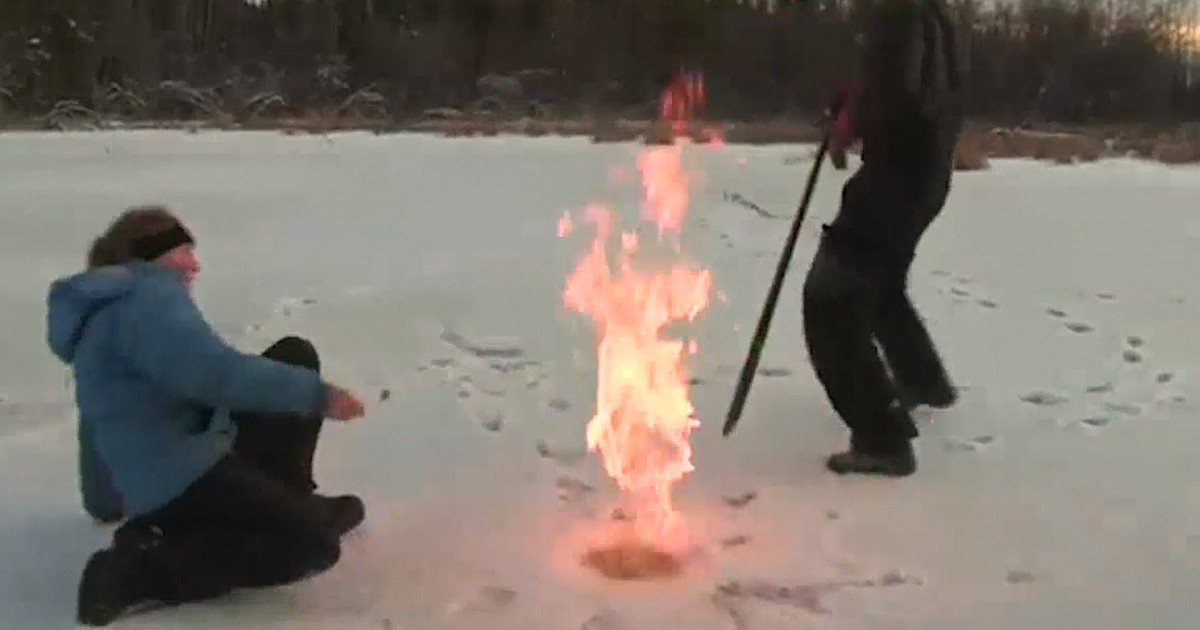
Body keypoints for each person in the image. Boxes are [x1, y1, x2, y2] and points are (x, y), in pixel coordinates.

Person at [46, 205, 370, 626]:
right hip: (182, 479)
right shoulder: (148, 297)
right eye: (184, 252)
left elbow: (98, 423)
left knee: (294, 355)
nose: (195, 265)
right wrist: (317, 396)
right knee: (310, 545)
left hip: (181, 461)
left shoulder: (109, 311)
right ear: (153, 255)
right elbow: (216, 376)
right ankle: (138, 573)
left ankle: (286, 502)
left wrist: (105, 502)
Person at [802, 0, 962, 477]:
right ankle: (924, 382)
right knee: (882, 284)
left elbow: (899, 100)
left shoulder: (899, 12)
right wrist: (859, 98)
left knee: (832, 298)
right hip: (926, 178)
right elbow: (914, 88)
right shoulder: (934, 12)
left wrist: (855, 119)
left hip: (896, 182)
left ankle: (881, 438)